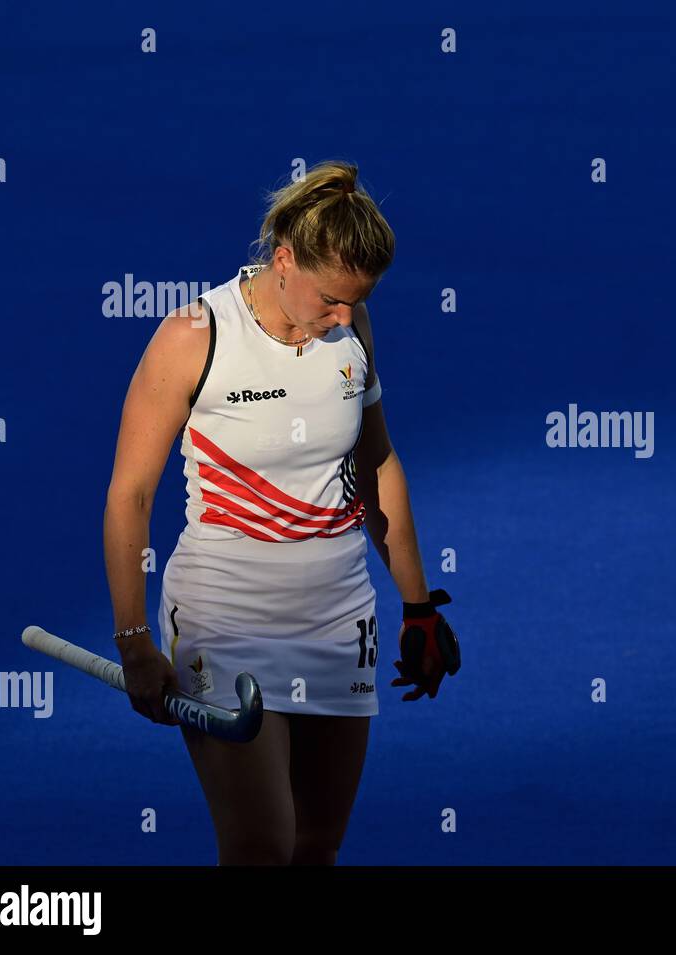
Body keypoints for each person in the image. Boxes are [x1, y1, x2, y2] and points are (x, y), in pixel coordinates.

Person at [102, 160, 458, 865]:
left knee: (316, 845)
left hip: (336, 612)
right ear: (284, 259)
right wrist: (134, 636)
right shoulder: (194, 335)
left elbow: (377, 463)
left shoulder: (351, 326)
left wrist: (417, 606)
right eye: (328, 299)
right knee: (261, 844)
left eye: (353, 303)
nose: (340, 318)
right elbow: (130, 494)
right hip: (225, 610)